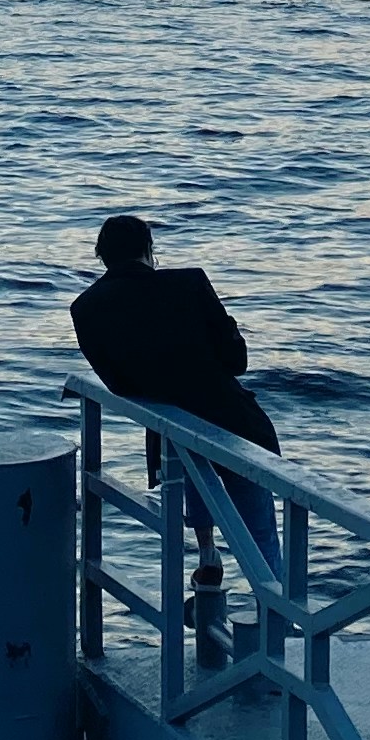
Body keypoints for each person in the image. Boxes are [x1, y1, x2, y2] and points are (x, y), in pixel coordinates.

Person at [70, 216, 280, 609]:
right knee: (260, 533)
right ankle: (279, 619)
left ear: (101, 256)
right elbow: (237, 360)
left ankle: (207, 553)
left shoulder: (85, 309)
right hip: (233, 421)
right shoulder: (189, 283)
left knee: (187, 461)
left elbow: (118, 384)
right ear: (149, 250)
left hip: (171, 429)